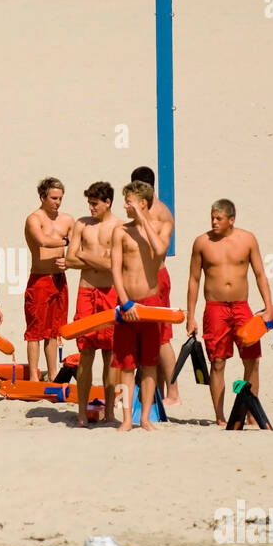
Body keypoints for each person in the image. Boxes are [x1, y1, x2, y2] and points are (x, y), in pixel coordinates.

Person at [185, 198, 273, 426]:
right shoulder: (201, 243)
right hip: (214, 308)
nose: (214, 222)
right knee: (217, 361)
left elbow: (259, 274)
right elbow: (194, 280)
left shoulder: (247, 239)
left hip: (241, 307)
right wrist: (191, 316)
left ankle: (251, 412)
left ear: (231, 219)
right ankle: (219, 416)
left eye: (219, 219)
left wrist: (269, 306)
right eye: (212, 218)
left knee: (252, 359)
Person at [110, 181, 170, 432]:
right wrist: (125, 302)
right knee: (126, 364)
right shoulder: (120, 231)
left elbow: (159, 250)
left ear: (142, 203)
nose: (125, 205)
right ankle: (126, 418)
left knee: (149, 363)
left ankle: (144, 417)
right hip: (127, 303)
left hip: (151, 303)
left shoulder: (160, 227)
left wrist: (142, 221)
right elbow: (115, 269)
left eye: (129, 201)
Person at [66, 182, 123, 426]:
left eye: (95, 203)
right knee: (86, 351)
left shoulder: (119, 227)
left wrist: (86, 256)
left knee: (111, 352)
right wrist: (98, 261)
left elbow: (114, 265)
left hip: (111, 292)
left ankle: (109, 411)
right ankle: (81, 412)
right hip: (86, 292)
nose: (91, 208)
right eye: (89, 203)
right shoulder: (81, 224)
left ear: (108, 202)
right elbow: (69, 259)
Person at [131, 166, 180, 406]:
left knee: (161, 337)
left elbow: (155, 249)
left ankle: (173, 392)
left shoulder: (157, 213)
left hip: (156, 278)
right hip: (148, 278)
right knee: (151, 337)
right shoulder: (148, 209)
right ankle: (158, 391)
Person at [23, 177, 73, 382]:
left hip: (59, 279)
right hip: (40, 279)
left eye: (60, 198)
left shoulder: (67, 219)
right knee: (35, 330)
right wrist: (67, 241)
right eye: (53, 198)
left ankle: (52, 373)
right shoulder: (34, 218)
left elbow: (78, 246)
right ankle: (34, 376)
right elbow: (42, 241)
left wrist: (69, 261)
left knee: (54, 331)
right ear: (42, 197)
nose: (57, 202)